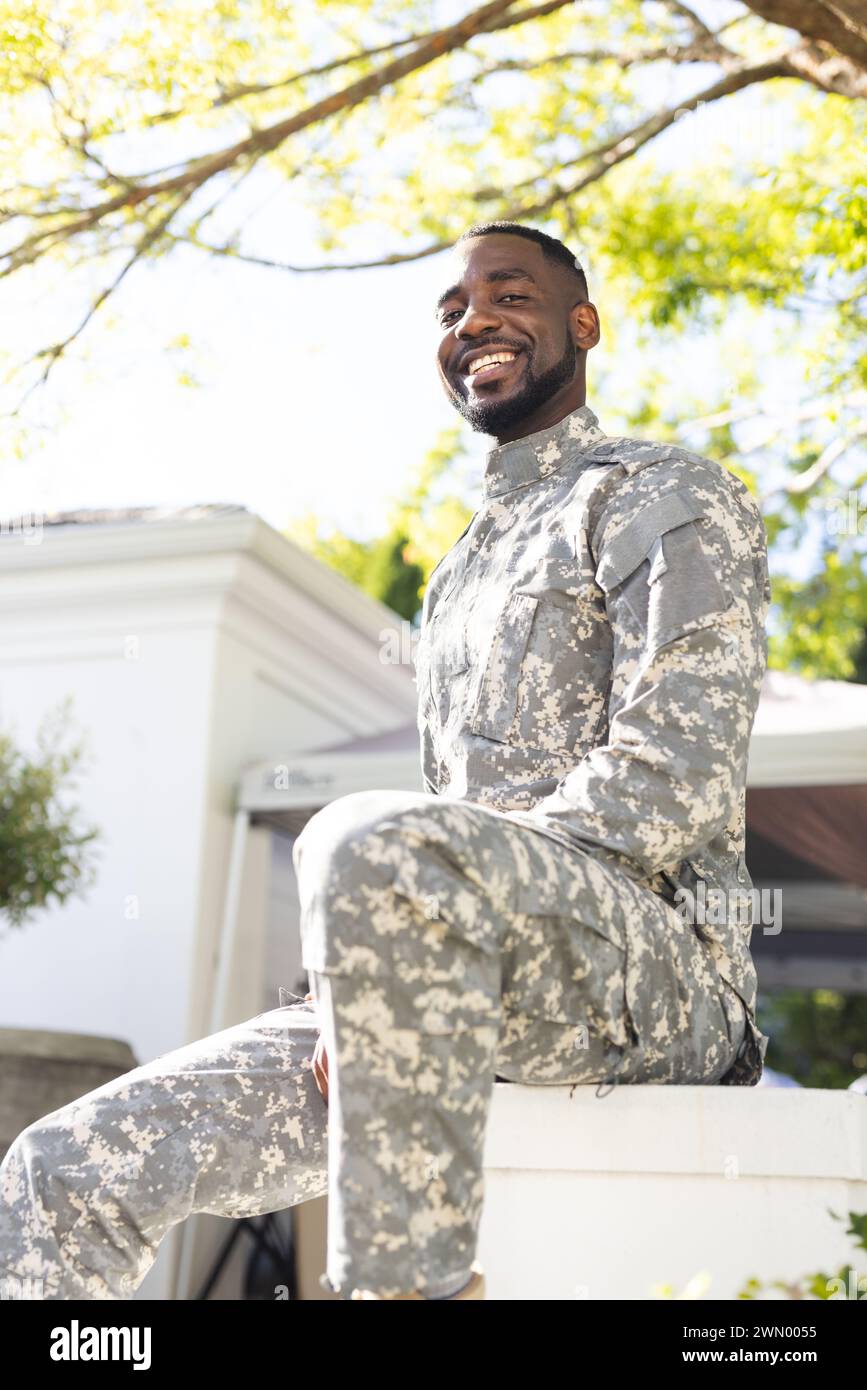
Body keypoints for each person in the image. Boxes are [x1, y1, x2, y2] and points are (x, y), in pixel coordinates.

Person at [0, 221, 771, 1303]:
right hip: (440, 981)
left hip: (658, 977)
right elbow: (447, 815)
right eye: (453, 310)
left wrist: (415, 896)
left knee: (364, 832)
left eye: (509, 295)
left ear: (581, 325)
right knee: (56, 1175)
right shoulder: (460, 572)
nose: (475, 322)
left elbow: (674, 772)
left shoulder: (663, 492)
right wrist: (374, 964)